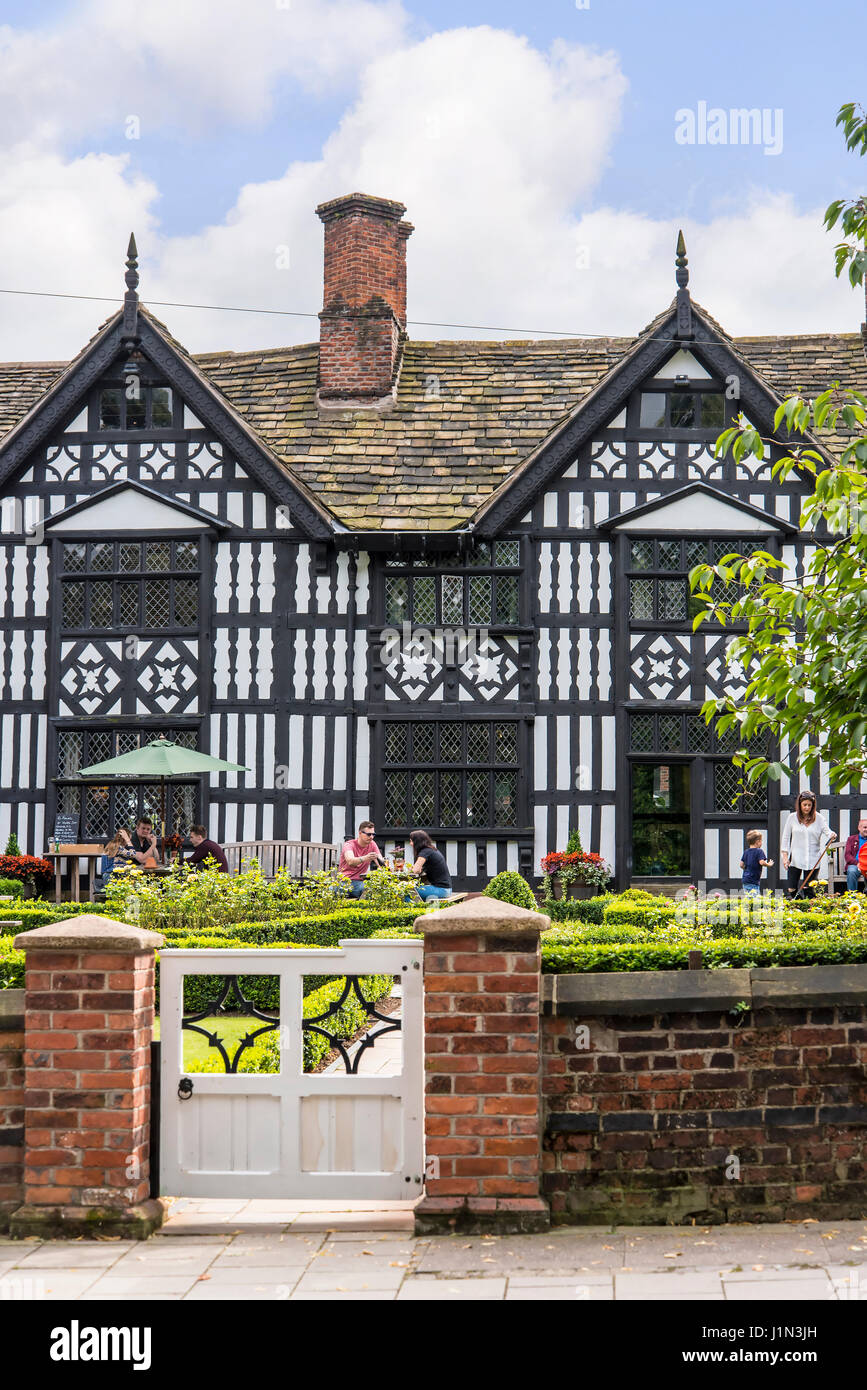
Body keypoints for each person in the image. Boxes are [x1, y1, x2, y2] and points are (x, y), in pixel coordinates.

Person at [781, 791, 835, 897]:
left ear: (813, 805)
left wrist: (832, 834)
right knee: (791, 889)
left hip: (813, 859)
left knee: (808, 889)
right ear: (800, 805)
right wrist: (785, 856)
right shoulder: (792, 818)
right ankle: (798, 908)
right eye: (804, 805)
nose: (807, 808)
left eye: (809, 805)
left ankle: (810, 910)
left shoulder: (819, 818)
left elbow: (828, 831)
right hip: (795, 858)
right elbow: (785, 838)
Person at [338, 821, 385, 897]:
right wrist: (366, 858)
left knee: (373, 888)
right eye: (368, 834)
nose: (371, 837)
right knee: (334, 889)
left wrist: (382, 864)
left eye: (373, 834)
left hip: (360, 882)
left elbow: (381, 862)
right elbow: (350, 861)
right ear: (360, 833)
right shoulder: (349, 844)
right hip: (345, 881)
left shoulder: (372, 844)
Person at [407, 829, 452, 901]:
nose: (410, 843)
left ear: (417, 842)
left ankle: (415, 909)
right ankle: (417, 907)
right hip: (445, 889)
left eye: (411, 841)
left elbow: (415, 870)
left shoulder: (425, 851)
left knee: (406, 891)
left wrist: (411, 869)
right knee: (412, 891)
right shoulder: (431, 850)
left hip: (441, 890)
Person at [740, 828, 772, 898]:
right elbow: (761, 862)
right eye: (761, 841)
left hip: (745, 879)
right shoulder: (759, 851)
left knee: (748, 897)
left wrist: (747, 869)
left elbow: (741, 865)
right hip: (753, 880)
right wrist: (768, 864)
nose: (761, 843)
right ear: (757, 842)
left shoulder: (746, 852)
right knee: (755, 900)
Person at [844, 817, 867, 892]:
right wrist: (858, 864)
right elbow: (847, 855)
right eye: (865, 827)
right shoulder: (851, 839)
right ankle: (852, 897)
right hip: (856, 865)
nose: (866, 829)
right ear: (859, 828)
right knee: (851, 871)